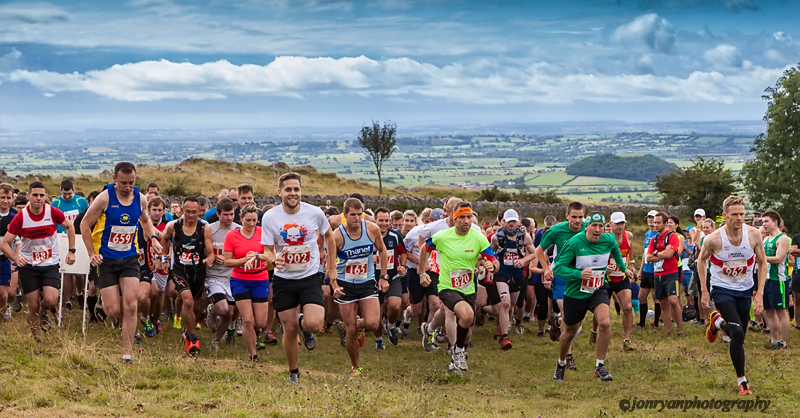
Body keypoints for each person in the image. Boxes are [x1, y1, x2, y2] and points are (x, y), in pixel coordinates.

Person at [81, 162, 163, 363]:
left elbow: (145, 221)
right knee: (113, 311)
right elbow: (84, 224)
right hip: (106, 259)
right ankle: (105, 304)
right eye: (124, 183)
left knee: (131, 305)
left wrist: (152, 239)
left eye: (132, 182)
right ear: (115, 180)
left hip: (129, 258)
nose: (128, 187)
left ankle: (127, 353)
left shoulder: (140, 198)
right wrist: (92, 253)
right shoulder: (104, 198)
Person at [261, 172, 336, 383]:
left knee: (314, 323)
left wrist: (331, 268)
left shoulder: (314, 213)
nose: (293, 193)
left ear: (301, 191)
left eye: (296, 189)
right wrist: (274, 259)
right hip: (284, 279)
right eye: (288, 190)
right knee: (289, 328)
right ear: (279, 192)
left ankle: (305, 324)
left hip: (310, 276)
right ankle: (294, 372)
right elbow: (267, 251)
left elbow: (329, 235)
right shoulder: (270, 217)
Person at [552, 212, 633, 382]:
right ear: (586, 227)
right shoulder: (574, 243)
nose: (597, 230)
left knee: (604, 322)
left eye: (601, 226)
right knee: (569, 333)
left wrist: (623, 267)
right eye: (594, 226)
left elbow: (616, 251)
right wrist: (578, 274)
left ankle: (600, 366)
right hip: (575, 292)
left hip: (598, 288)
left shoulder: (609, 240)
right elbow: (558, 268)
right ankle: (560, 365)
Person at [419, 202, 498, 375]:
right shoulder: (442, 236)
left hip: (468, 287)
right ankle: (458, 353)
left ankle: (449, 349)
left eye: (468, 217)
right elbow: (424, 249)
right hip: (447, 286)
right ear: (454, 220)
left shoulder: (478, 237)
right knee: (466, 315)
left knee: (467, 329)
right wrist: (421, 272)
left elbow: (492, 259)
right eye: (461, 217)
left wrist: (493, 266)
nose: (466, 221)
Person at [699, 195, 767, 395]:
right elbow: (701, 260)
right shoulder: (713, 239)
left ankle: (717, 323)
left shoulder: (754, 235)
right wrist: (704, 290)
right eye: (735, 214)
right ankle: (742, 381)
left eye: (742, 214)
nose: (739, 218)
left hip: (745, 289)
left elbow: (762, 263)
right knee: (736, 332)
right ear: (724, 216)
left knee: (740, 335)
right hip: (722, 289)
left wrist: (760, 292)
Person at [1, 182, 76, 340]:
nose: (38, 198)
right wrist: (16, 258)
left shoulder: (52, 212)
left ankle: (43, 313)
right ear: (28, 196)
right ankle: (36, 337)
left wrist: (71, 250)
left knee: (50, 300)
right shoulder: (21, 217)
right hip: (29, 265)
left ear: (46, 196)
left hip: (50, 263)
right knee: (33, 304)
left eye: (42, 195)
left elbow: (70, 227)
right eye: (35, 195)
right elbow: (4, 243)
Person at [333, 198, 388, 375]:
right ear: (345, 215)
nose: (356, 218)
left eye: (359, 214)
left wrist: (384, 276)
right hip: (345, 284)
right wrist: (334, 284)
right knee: (350, 330)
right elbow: (329, 264)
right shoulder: (337, 236)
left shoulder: (372, 229)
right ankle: (355, 366)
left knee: (373, 323)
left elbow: (383, 250)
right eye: (352, 215)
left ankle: (358, 324)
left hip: (367, 281)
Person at [159, 196, 214, 353]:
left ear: (199, 212)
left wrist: (210, 259)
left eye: (195, 212)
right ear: (182, 211)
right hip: (179, 269)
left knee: (195, 306)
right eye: (188, 212)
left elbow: (210, 253)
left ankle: (187, 331)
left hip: (197, 271)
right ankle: (192, 338)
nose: (191, 215)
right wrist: (164, 258)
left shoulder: (204, 228)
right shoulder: (173, 226)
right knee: (187, 302)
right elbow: (164, 239)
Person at [536, 201, 585, 370]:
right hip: (562, 277)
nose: (578, 221)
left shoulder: (588, 229)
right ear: (567, 216)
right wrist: (546, 269)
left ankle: (557, 320)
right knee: (570, 317)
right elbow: (539, 250)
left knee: (578, 322)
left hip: (581, 277)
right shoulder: (556, 231)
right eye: (574, 217)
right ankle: (568, 356)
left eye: (580, 217)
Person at [224, 204, 271, 360]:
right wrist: (244, 260)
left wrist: (256, 256)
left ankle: (255, 335)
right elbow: (227, 262)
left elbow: (271, 256)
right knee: (248, 320)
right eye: (248, 220)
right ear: (241, 219)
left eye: (254, 221)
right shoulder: (232, 235)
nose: (251, 224)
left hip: (260, 278)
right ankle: (253, 355)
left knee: (261, 322)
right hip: (240, 280)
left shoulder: (263, 233)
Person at [489, 209, 536, 350]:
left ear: (518, 221)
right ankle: (504, 337)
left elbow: (533, 254)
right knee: (505, 303)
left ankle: (504, 326)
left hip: (517, 275)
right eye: (508, 221)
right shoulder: (497, 237)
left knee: (511, 306)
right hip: (502, 273)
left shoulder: (525, 236)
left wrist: (523, 261)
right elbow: (490, 253)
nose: (511, 224)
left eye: (513, 221)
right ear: (503, 222)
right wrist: (491, 267)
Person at [205, 198, 240, 351]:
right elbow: (203, 251)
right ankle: (212, 310)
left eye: (231, 214)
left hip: (232, 276)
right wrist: (212, 256)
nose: (229, 218)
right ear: (218, 214)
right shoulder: (210, 229)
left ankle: (216, 340)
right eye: (225, 214)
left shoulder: (238, 230)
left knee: (230, 312)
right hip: (214, 276)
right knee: (222, 309)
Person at [51, 179, 90, 311]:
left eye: (69, 194)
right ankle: (68, 300)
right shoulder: (56, 203)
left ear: (73, 190)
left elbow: (87, 219)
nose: (67, 197)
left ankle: (80, 292)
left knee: (80, 272)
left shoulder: (81, 202)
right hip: (62, 239)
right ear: (60, 192)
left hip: (79, 238)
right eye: (64, 194)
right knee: (66, 272)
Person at [372, 207, 407, 348]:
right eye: (381, 220)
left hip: (392, 276)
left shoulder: (394, 236)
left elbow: (403, 253)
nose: (384, 223)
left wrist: (403, 266)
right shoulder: (367, 235)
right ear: (375, 221)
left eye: (387, 220)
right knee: (376, 317)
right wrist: (370, 258)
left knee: (395, 305)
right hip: (372, 278)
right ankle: (379, 340)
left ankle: (391, 325)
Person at [602, 212, 636, 351]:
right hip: (606, 279)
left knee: (627, 307)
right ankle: (594, 332)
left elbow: (630, 248)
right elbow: (597, 256)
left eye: (622, 223)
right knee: (602, 311)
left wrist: (632, 264)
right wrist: (604, 267)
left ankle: (627, 339)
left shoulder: (628, 235)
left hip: (622, 277)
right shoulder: (605, 238)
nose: (620, 226)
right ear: (610, 224)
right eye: (617, 223)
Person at [646, 213, 683, 336]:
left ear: (665, 223)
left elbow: (670, 254)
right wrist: (660, 252)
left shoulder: (672, 236)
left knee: (673, 300)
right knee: (663, 303)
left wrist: (657, 253)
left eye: (658, 223)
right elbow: (648, 258)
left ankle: (680, 330)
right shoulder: (654, 239)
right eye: (654, 222)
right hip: (658, 274)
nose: (655, 225)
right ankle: (667, 330)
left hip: (671, 273)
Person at [760, 210, 790, 350]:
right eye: (763, 222)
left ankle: (783, 342)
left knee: (781, 311)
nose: (763, 224)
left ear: (775, 222)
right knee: (769, 311)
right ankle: (774, 339)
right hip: (766, 280)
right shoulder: (766, 239)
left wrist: (761, 259)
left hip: (778, 280)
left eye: (766, 221)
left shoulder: (782, 239)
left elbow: (778, 259)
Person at [636, 210, 660, 330]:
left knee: (656, 297)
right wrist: (640, 270)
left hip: (656, 270)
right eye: (649, 218)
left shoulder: (660, 235)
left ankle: (656, 323)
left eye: (653, 218)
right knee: (641, 296)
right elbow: (645, 254)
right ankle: (641, 322)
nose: (650, 220)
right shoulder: (647, 234)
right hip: (646, 269)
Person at [0, 183, 19, 321]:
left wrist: (15, 259)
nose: (5, 201)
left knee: (6, 294)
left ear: (12, 198)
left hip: (6, 259)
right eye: (2, 197)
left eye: (8, 197)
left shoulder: (15, 216)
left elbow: (19, 241)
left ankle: (5, 310)